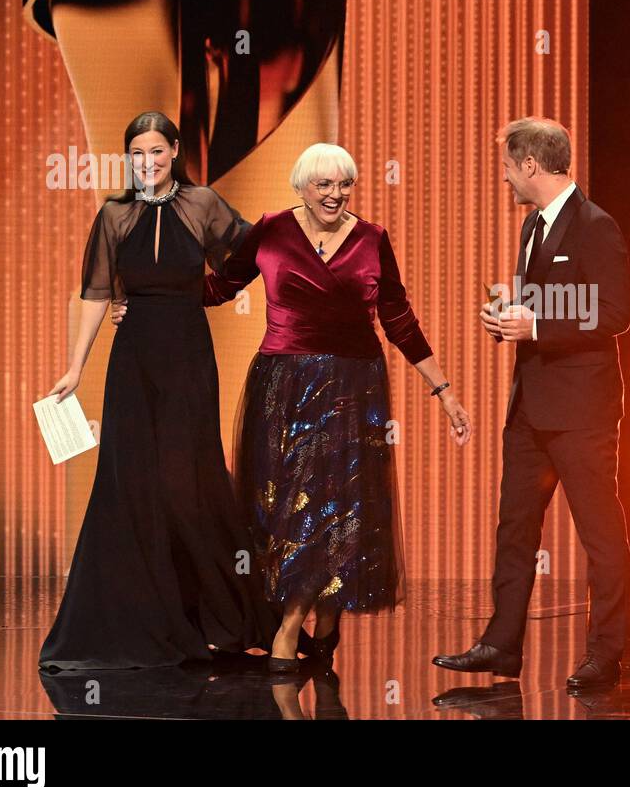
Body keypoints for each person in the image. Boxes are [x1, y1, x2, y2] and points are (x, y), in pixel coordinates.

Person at [113, 143, 471, 674]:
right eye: (324, 185)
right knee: (292, 508)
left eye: (344, 184)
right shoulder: (272, 229)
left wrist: (444, 391)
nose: (335, 194)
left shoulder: (373, 239)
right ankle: (318, 618)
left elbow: (399, 319)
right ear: (301, 186)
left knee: (340, 507)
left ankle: (292, 627)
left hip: (354, 390)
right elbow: (217, 287)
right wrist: (142, 303)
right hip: (284, 386)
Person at [40, 111, 276, 671]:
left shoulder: (202, 205)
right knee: (130, 485)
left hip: (189, 358)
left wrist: (215, 291)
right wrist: (75, 369)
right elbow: (96, 294)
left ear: (174, 151)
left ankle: (223, 616)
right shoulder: (114, 215)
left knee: (188, 485)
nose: (147, 163)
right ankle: (142, 621)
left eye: (157, 151)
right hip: (133, 364)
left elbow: (254, 255)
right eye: (137, 154)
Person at [433, 117, 630, 691]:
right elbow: (540, 309)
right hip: (530, 410)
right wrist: (506, 317)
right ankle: (502, 644)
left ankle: (606, 652)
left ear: (530, 166)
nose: (503, 179)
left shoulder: (597, 227)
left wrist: (538, 323)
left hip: (580, 412)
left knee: (600, 532)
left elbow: (615, 313)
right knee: (514, 529)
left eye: (506, 167)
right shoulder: (531, 228)